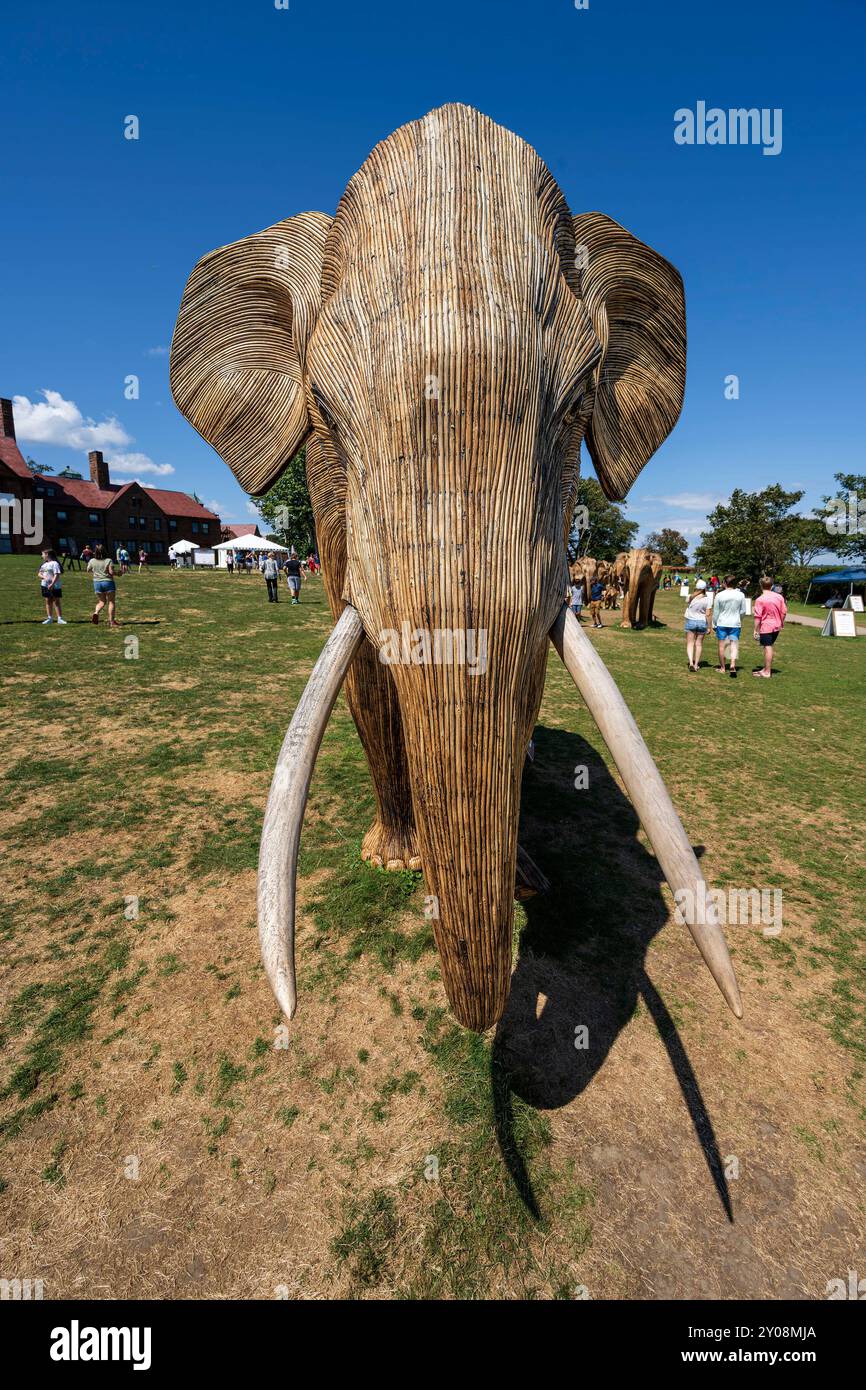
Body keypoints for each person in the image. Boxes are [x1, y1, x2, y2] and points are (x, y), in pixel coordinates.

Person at [712, 574, 747, 677]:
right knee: (733, 644)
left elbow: (716, 612)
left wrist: (714, 624)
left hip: (722, 622)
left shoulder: (719, 595)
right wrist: (739, 619)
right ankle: (732, 665)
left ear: (725, 583)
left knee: (722, 645)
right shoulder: (740, 595)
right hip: (735, 623)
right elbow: (743, 611)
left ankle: (723, 668)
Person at [753, 575, 787, 678]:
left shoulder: (760, 599)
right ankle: (766, 668)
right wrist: (781, 622)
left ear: (761, 585)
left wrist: (755, 630)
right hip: (777, 626)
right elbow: (784, 612)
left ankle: (767, 672)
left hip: (766, 627)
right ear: (772, 586)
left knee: (768, 648)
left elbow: (757, 617)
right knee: (768, 646)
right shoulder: (779, 597)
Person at [87, 544, 119, 627]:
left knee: (102, 602)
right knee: (111, 602)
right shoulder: (108, 560)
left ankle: (96, 612)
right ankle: (112, 622)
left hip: (97, 583)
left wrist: (95, 572)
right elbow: (111, 572)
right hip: (108, 582)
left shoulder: (92, 560)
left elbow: (88, 570)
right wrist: (118, 573)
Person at [684, 578, 711, 671]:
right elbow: (708, 614)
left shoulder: (690, 597)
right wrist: (709, 627)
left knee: (690, 643)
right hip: (702, 622)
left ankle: (691, 662)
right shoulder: (708, 599)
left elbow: (687, 600)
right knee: (698, 644)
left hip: (691, 621)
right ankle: (696, 665)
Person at [38, 548, 66, 624]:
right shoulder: (44, 564)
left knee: (56, 601)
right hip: (45, 585)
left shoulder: (55, 563)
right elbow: (39, 574)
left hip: (55, 585)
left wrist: (52, 584)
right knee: (48, 601)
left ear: (47, 555)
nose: (42, 556)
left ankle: (59, 618)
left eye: (43, 554)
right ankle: (49, 618)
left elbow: (57, 574)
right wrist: (44, 577)